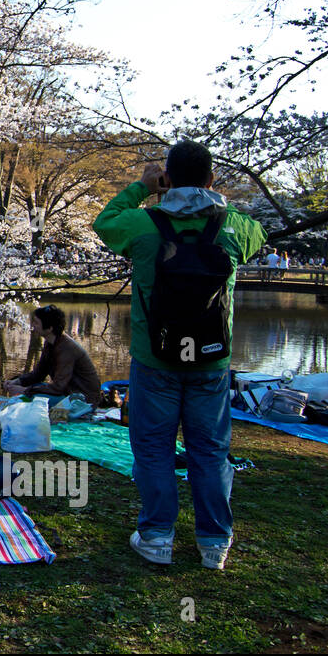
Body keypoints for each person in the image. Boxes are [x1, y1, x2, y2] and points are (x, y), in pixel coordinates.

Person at [93, 141, 265, 571]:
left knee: (153, 447)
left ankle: (156, 536)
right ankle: (213, 543)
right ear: (211, 179)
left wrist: (143, 188)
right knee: (211, 450)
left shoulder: (143, 224)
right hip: (211, 361)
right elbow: (257, 233)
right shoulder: (233, 228)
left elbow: (104, 223)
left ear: (166, 177)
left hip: (156, 359)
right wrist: (212, 200)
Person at [2, 306, 103, 405]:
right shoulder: (50, 343)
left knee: (32, 398)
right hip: (67, 393)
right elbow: (38, 374)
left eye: (36, 323)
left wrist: (24, 390)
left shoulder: (66, 349)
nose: (33, 325)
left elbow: (58, 387)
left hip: (83, 400)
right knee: (35, 388)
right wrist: (16, 382)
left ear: (49, 328)